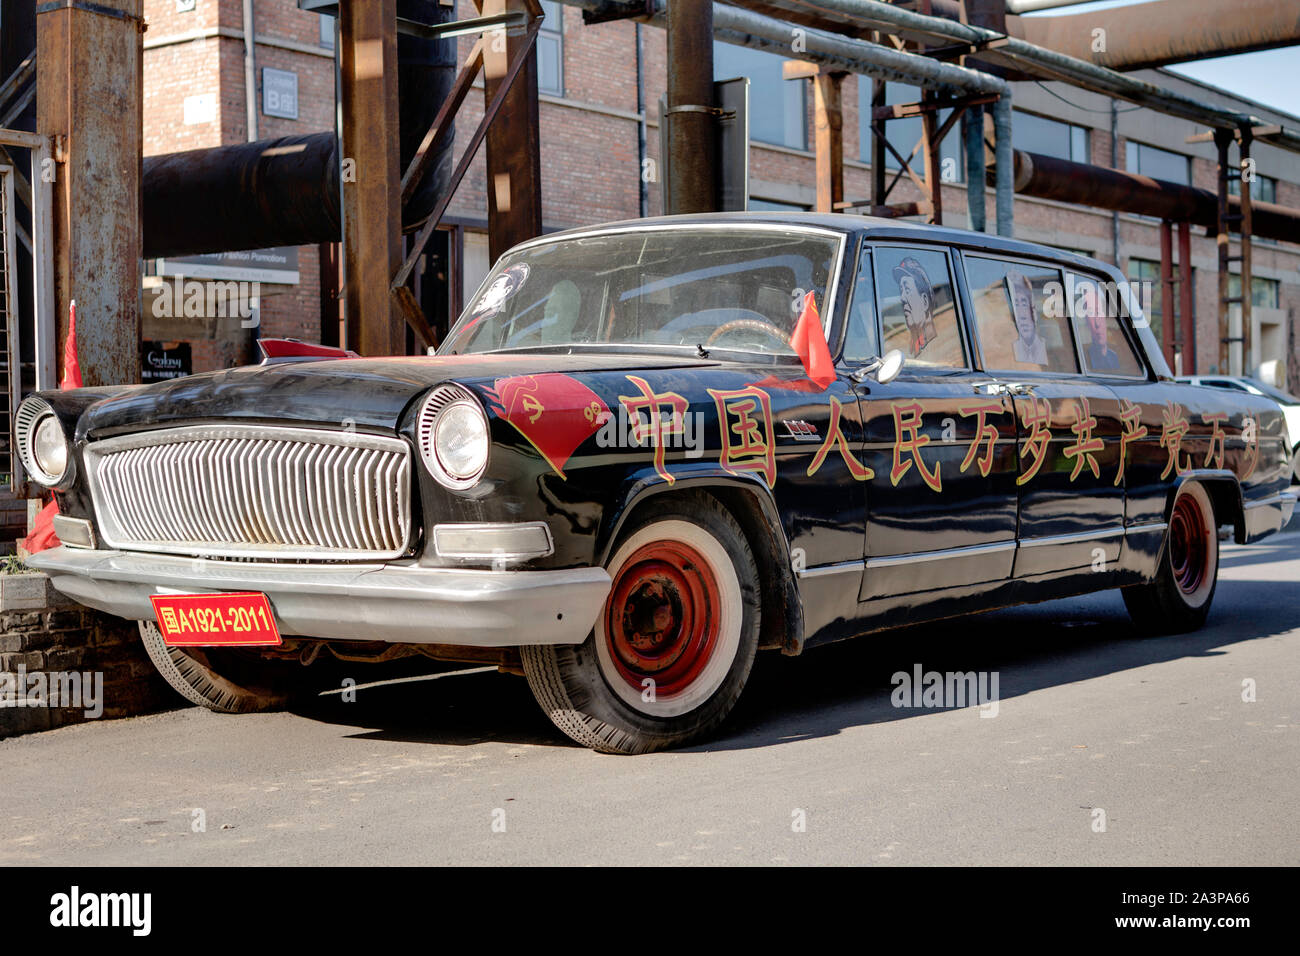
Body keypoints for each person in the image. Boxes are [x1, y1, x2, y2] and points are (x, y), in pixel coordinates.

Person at [892, 257, 939, 356]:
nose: (902, 298)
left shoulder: (941, 351)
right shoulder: (909, 352)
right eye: (901, 291)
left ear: (925, 301)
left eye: (907, 290)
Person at [1007, 269, 1048, 366]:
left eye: (1024, 304)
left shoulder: (1047, 349)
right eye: (1016, 305)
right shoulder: (1008, 350)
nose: (1022, 315)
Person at [1078, 281, 1120, 371]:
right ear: (1086, 320)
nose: (1097, 323)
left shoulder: (1116, 357)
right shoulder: (1083, 360)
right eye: (1091, 314)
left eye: (1098, 312)